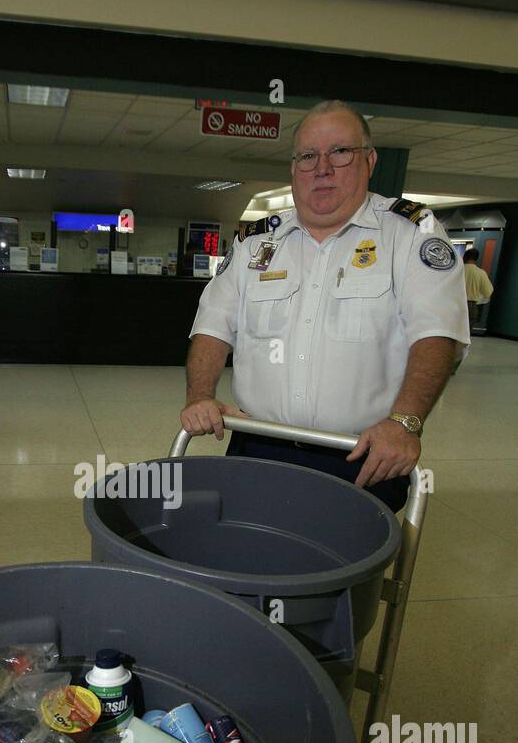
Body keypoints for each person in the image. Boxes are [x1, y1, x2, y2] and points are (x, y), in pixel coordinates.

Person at [181, 100, 470, 511]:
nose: (322, 168)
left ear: (369, 160)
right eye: (308, 156)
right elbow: (212, 326)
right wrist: (199, 396)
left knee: (343, 574)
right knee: (249, 561)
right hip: (258, 448)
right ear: (293, 169)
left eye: (339, 152)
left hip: (363, 456)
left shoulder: (409, 233)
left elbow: (437, 332)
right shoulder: (257, 242)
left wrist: (405, 423)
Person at [462, 248, 494, 333]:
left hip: (456, 303)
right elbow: (488, 292)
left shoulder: (458, 270)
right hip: (472, 306)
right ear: (476, 259)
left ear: (464, 257)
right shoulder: (481, 273)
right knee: (466, 333)